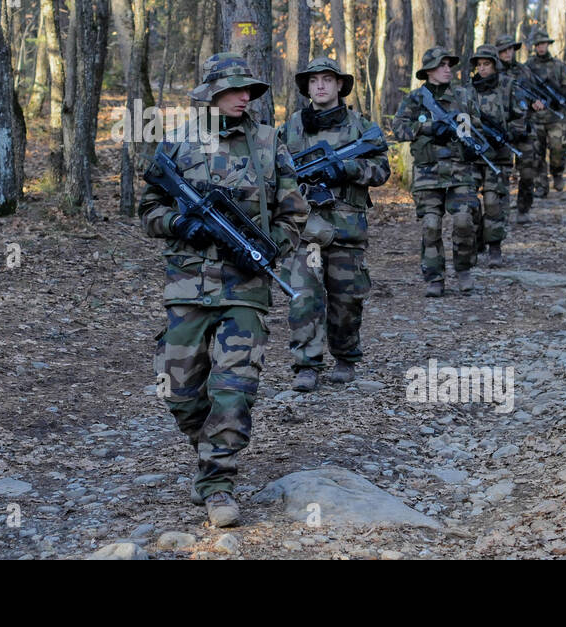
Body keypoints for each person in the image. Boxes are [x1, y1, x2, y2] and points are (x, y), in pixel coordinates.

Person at [138, 53, 308, 528]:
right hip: (187, 284)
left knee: (234, 390)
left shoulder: (268, 143)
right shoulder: (177, 143)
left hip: (246, 288)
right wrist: (177, 222)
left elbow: (295, 213)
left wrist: (268, 248)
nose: (244, 97)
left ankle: (218, 484)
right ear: (211, 93)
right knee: (177, 388)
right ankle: (209, 449)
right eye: (234, 89)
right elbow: (148, 206)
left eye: (249, 90)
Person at [277, 57, 390, 393]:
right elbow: (276, 175)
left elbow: (381, 171)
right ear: (307, 87)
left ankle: (344, 357)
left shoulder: (360, 127)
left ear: (340, 85)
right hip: (304, 229)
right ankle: (307, 365)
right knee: (304, 297)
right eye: (314, 81)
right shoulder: (292, 127)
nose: (321, 86)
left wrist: (347, 170)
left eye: (328, 79)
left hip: (346, 229)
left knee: (347, 299)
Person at [391, 47, 484, 297]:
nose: (447, 69)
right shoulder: (415, 99)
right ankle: (434, 277)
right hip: (427, 172)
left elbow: (478, 125)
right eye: (441, 65)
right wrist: (429, 128)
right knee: (431, 225)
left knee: (464, 220)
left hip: (459, 170)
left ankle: (464, 269)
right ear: (429, 70)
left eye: (449, 65)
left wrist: (469, 135)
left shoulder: (463, 95)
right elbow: (398, 129)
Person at [464, 44, 528, 266]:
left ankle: (494, 248)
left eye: (487, 64)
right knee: (469, 203)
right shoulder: (467, 90)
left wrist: (507, 134)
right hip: (471, 156)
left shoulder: (508, 86)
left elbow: (520, 116)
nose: (482, 69)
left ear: (495, 65)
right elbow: (460, 121)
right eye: (479, 65)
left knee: (493, 202)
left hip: (498, 155)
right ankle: (475, 243)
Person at [494, 33, 544, 223]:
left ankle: (523, 209)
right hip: (502, 131)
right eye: (503, 50)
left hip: (524, 128)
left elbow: (535, 95)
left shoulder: (524, 71)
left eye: (510, 49)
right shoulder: (492, 72)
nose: (507, 53)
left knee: (528, 172)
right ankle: (502, 212)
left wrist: (538, 104)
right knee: (502, 174)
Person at [523, 30, 566, 196]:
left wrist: (556, 98)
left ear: (548, 45)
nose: (541, 47)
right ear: (535, 47)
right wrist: (532, 102)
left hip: (555, 117)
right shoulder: (528, 67)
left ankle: (557, 173)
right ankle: (541, 186)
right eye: (538, 44)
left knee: (558, 149)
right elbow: (521, 88)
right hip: (535, 118)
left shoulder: (558, 65)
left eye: (543, 44)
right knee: (537, 153)